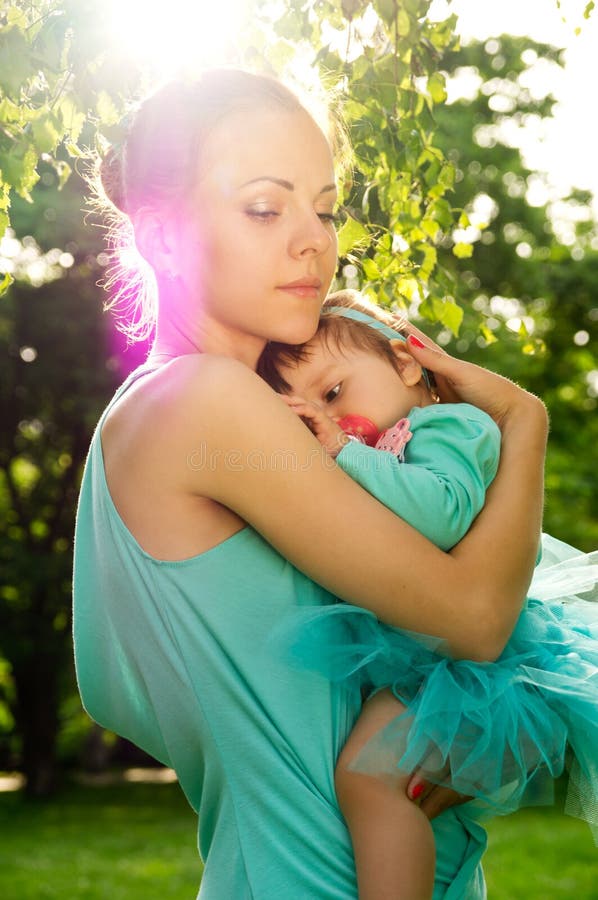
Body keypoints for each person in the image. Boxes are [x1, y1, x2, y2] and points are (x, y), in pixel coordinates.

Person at [72, 68, 550, 899]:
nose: (314, 241)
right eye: (265, 207)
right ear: (164, 237)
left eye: (325, 209)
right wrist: (524, 425)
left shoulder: (220, 414)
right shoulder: (201, 403)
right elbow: (474, 618)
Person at [258, 289, 598, 899]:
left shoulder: (450, 425)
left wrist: (338, 450)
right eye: (308, 414)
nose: (331, 421)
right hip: (431, 654)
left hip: (477, 667)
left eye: (334, 394)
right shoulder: (373, 450)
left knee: (370, 781)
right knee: (377, 780)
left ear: (407, 363)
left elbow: (442, 512)